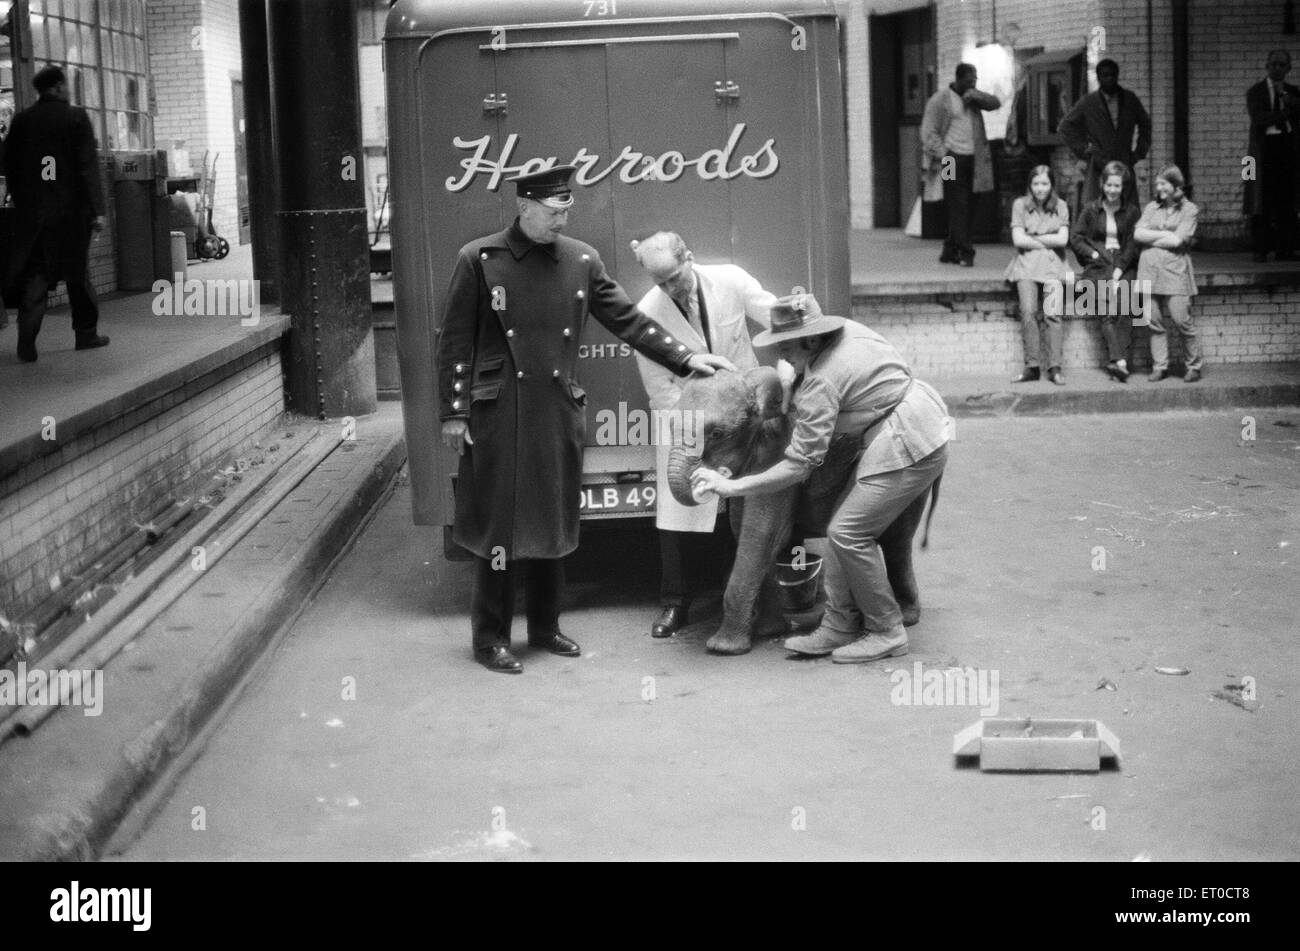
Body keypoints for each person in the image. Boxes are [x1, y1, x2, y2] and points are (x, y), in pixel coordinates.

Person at [436, 166, 733, 674]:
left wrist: (687, 360)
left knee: (554, 519)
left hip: (555, 406)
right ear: (525, 207)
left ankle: (546, 626)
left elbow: (629, 321)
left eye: (567, 210)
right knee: (500, 528)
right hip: (500, 411)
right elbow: (455, 340)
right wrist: (453, 412)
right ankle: (491, 638)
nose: (563, 219)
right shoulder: (480, 259)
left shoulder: (580, 259)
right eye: (554, 212)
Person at [690, 295, 950, 665]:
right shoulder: (850, 333)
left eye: (786, 346)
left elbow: (799, 465)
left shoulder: (821, 383)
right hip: (917, 415)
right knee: (841, 533)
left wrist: (733, 487)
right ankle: (840, 625)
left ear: (811, 341)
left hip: (907, 438)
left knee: (847, 533)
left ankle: (886, 631)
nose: (781, 353)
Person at [630, 231, 777, 639]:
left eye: (674, 277)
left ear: (689, 258)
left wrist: (804, 323)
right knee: (679, 510)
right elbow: (660, 389)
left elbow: (773, 314)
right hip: (688, 418)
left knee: (743, 503)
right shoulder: (646, 311)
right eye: (660, 283)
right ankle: (675, 603)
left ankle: (741, 597)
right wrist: (694, 426)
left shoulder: (730, 279)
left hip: (743, 416)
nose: (669, 289)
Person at [2, 65, 109, 362]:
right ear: (59, 87)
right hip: (71, 214)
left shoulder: (23, 121)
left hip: (35, 214)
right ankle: (86, 334)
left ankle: (27, 338)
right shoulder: (76, 118)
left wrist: (20, 196)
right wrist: (97, 210)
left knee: (36, 276)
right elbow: (88, 166)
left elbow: (8, 162)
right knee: (77, 274)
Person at [921, 63, 1001, 267]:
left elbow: (995, 103)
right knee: (956, 204)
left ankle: (950, 248)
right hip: (949, 159)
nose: (972, 83)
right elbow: (928, 132)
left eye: (975, 80)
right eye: (969, 80)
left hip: (975, 159)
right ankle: (966, 251)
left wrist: (977, 95)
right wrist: (943, 153)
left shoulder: (974, 98)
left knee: (972, 203)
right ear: (958, 79)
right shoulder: (941, 100)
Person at [1070, 160, 1142, 382]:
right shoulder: (1091, 209)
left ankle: (1115, 361)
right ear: (1102, 184)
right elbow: (1076, 238)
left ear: (1124, 187)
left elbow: (1133, 245)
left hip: (1123, 262)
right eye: (1109, 185)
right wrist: (1091, 255)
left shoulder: (1131, 212)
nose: (1112, 190)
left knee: (1128, 306)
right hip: (1098, 264)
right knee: (1106, 310)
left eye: (1117, 186)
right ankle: (1119, 360)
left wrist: (1120, 269)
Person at [1135, 165, 1202, 383]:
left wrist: (1153, 236)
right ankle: (1160, 366)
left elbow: (1178, 240)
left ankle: (1194, 366)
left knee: (1181, 319)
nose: (1159, 188)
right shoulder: (1152, 207)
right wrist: (1165, 233)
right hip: (1148, 270)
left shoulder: (1190, 210)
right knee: (1152, 321)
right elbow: (1137, 234)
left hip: (1175, 271)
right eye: (1157, 184)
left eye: (1163, 183)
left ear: (1176, 185)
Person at [1005, 165, 1071, 385]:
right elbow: (1018, 240)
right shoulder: (1020, 205)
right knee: (1028, 312)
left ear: (1052, 185)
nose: (1040, 188)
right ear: (1030, 185)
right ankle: (1032, 366)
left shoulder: (1060, 206)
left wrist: (1033, 237)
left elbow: (1063, 240)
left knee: (1053, 315)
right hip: (1026, 266)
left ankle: (1055, 367)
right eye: (1036, 183)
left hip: (1053, 267)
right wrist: (1047, 239)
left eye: (1045, 183)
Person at [1059, 59, 1152, 208]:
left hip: (1124, 163)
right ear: (1098, 77)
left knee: (1128, 210)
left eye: (1113, 75)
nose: (1109, 78)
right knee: (1096, 210)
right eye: (1105, 75)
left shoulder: (1129, 99)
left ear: (1117, 75)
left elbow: (1146, 124)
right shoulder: (1089, 102)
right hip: (1098, 165)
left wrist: (1139, 152)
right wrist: (1084, 149)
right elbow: (1065, 127)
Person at [1245, 50, 1300, 262]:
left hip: (1287, 147)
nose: (1277, 68)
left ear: (1288, 68)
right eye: (1274, 64)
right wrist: (1286, 112)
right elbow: (1259, 119)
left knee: (1286, 199)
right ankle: (1260, 248)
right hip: (1258, 152)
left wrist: (1287, 101)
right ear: (1267, 66)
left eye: (1282, 65)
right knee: (1259, 202)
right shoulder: (1255, 91)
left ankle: (1285, 248)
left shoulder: (1293, 92)